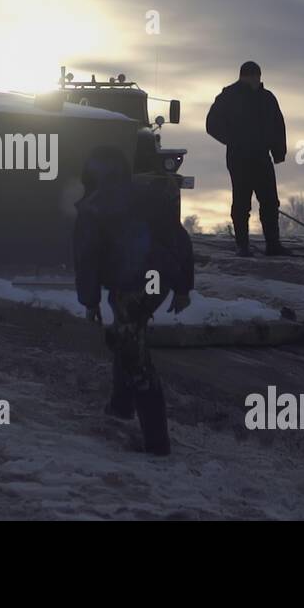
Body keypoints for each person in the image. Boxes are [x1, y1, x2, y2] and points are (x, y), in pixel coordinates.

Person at [73, 146, 193, 456]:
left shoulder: (92, 207)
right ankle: (120, 407)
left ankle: (157, 443)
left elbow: (86, 257)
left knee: (134, 353)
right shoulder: (149, 195)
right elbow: (180, 240)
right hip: (160, 282)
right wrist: (182, 288)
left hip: (131, 286)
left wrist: (90, 301)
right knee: (127, 334)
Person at [205, 60, 291, 257]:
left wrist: (278, 153)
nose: (254, 79)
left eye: (257, 76)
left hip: (261, 157)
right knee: (242, 202)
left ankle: (273, 244)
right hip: (239, 158)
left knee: (270, 201)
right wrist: (233, 141)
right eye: (251, 76)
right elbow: (212, 124)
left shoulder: (267, 98)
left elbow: (278, 126)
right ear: (243, 76)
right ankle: (242, 245)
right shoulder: (229, 97)